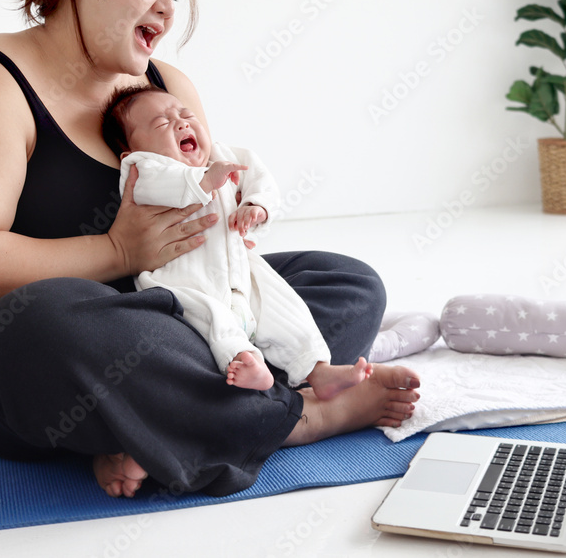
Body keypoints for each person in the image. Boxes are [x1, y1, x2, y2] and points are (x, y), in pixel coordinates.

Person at [0, 0, 419, 499]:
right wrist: (118, 253)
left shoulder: (166, 86)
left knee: (349, 285)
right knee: (58, 324)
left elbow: (219, 224)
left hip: (175, 322)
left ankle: (143, 430)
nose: (168, 8)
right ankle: (304, 416)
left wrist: (243, 214)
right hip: (22, 346)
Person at [102, 84, 373, 396]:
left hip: (241, 277)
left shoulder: (222, 156)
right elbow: (166, 185)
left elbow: (258, 176)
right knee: (210, 317)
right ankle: (244, 362)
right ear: (132, 152)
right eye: (162, 124)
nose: (182, 123)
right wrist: (205, 180)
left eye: (186, 115)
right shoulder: (143, 170)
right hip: (184, 280)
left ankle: (316, 368)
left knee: (281, 302)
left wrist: (255, 205)